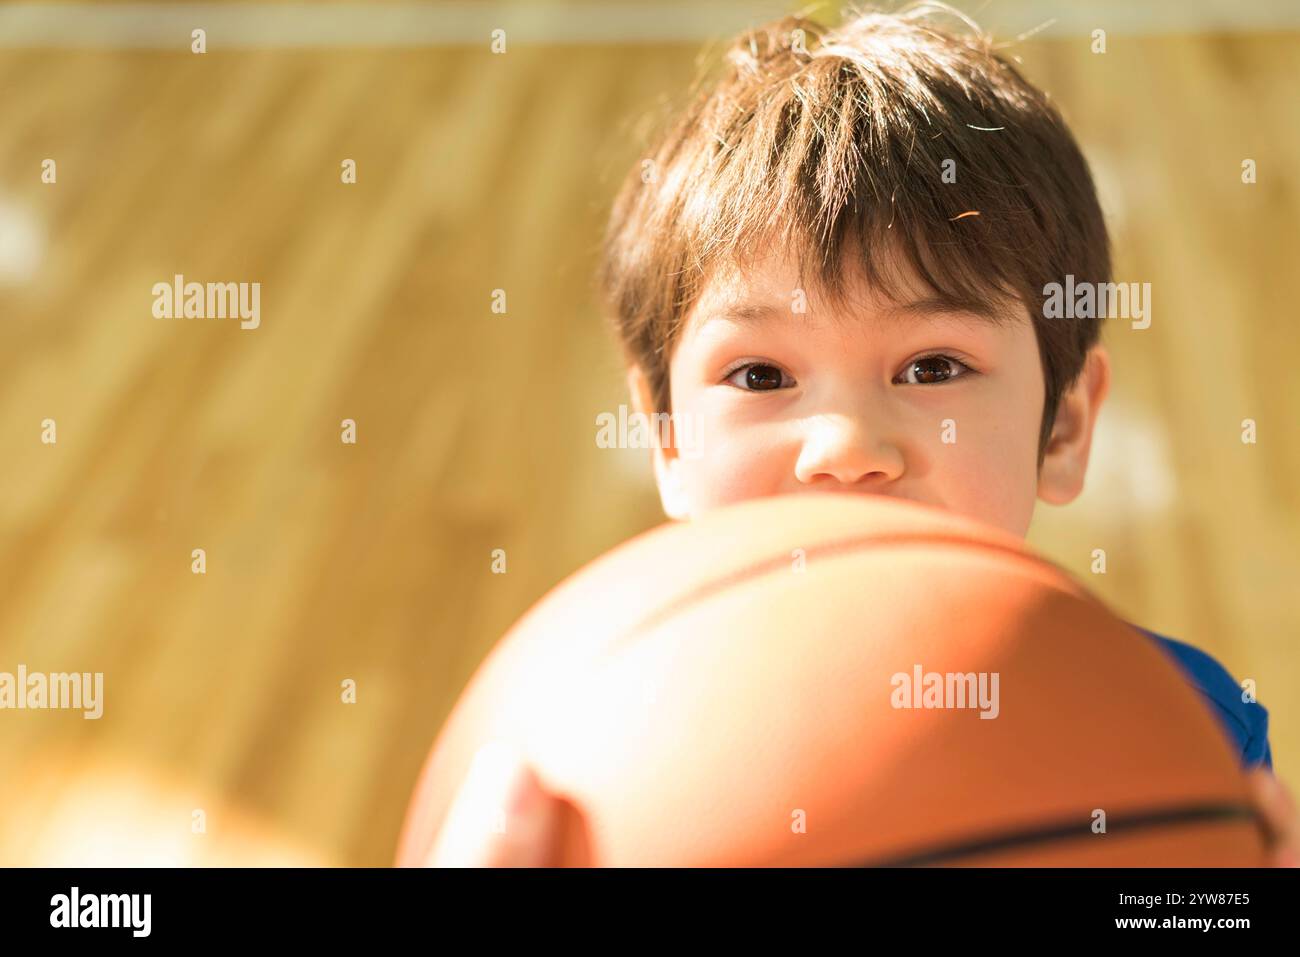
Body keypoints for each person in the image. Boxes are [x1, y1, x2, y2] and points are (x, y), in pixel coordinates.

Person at [411, 3, 1297, 867]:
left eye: (932, 367)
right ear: (668, 438)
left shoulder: (1180, 729)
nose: (843, 444)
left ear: (1062, 422)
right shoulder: (573, 752)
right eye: (761, 376)